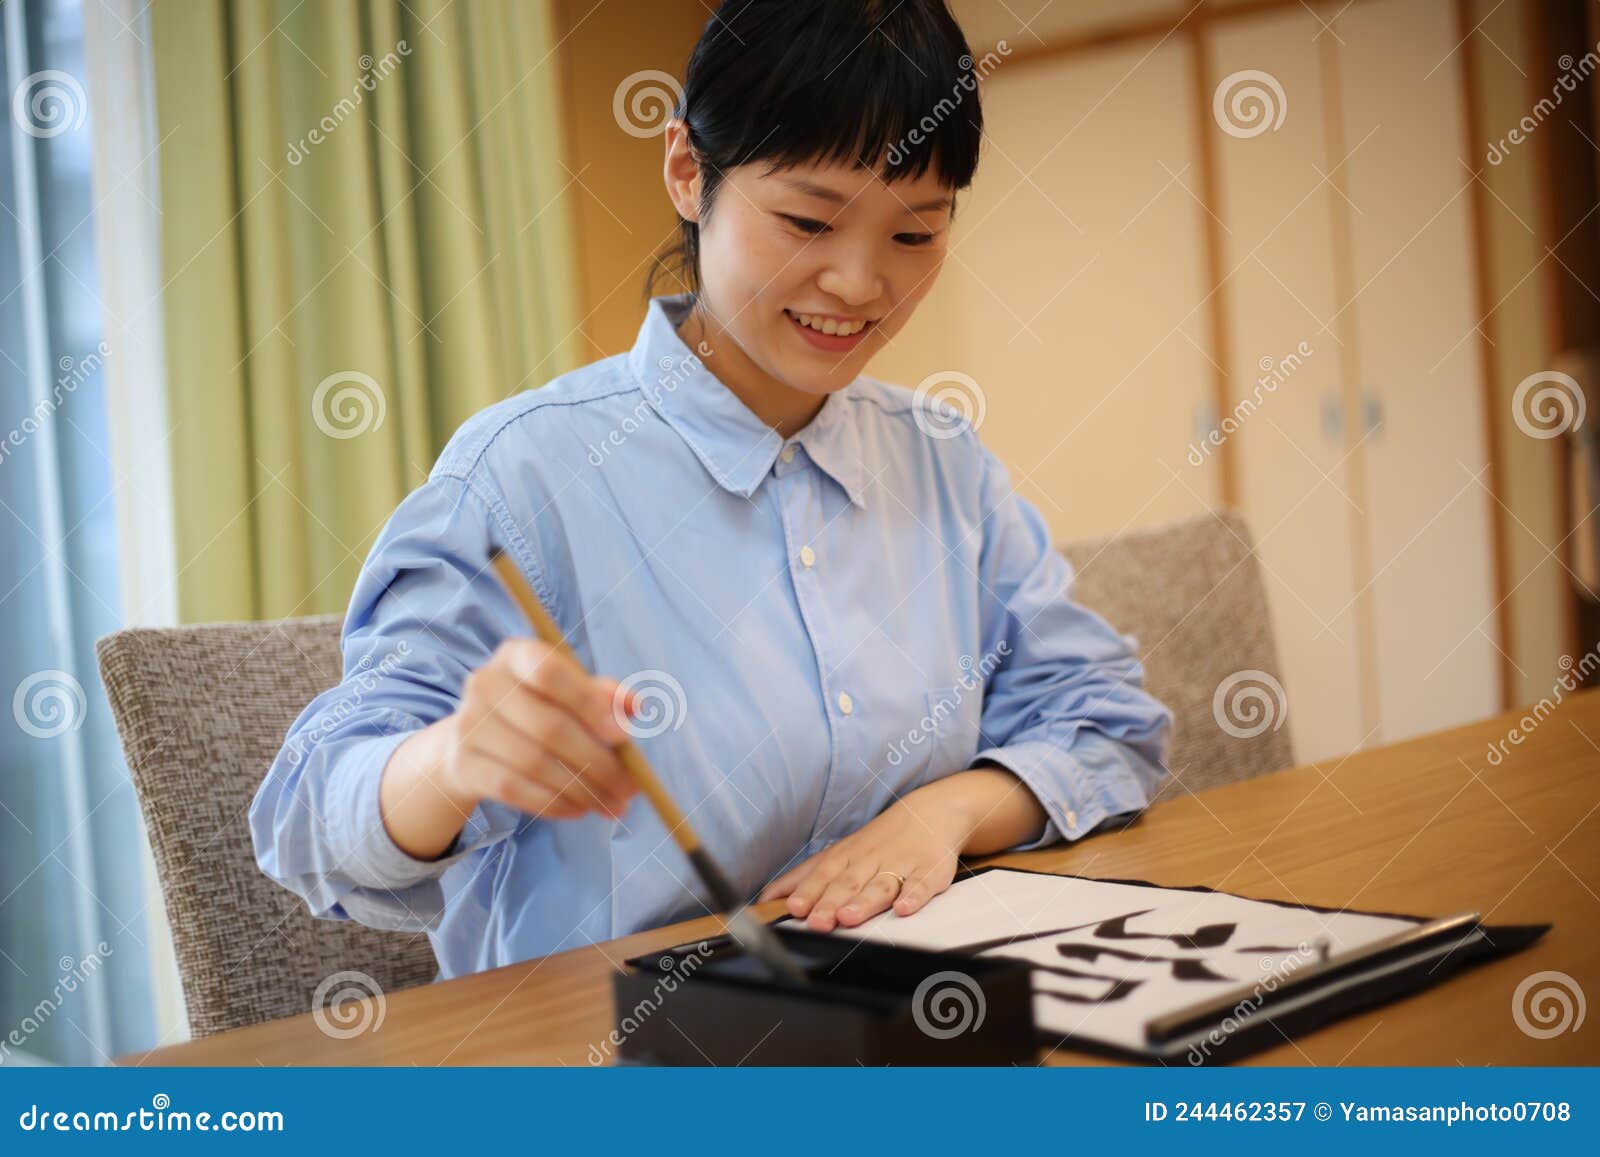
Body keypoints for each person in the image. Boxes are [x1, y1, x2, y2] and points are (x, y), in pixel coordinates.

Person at [250, 0, 1173, 981]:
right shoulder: (524, 477)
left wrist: (939, 814)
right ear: (689, 172)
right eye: (807, 220)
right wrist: (449, 759)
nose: (859, 284)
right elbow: (308, 821)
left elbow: (1105, 719)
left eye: (915, 235)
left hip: (907, 1021)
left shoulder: (941, 460)